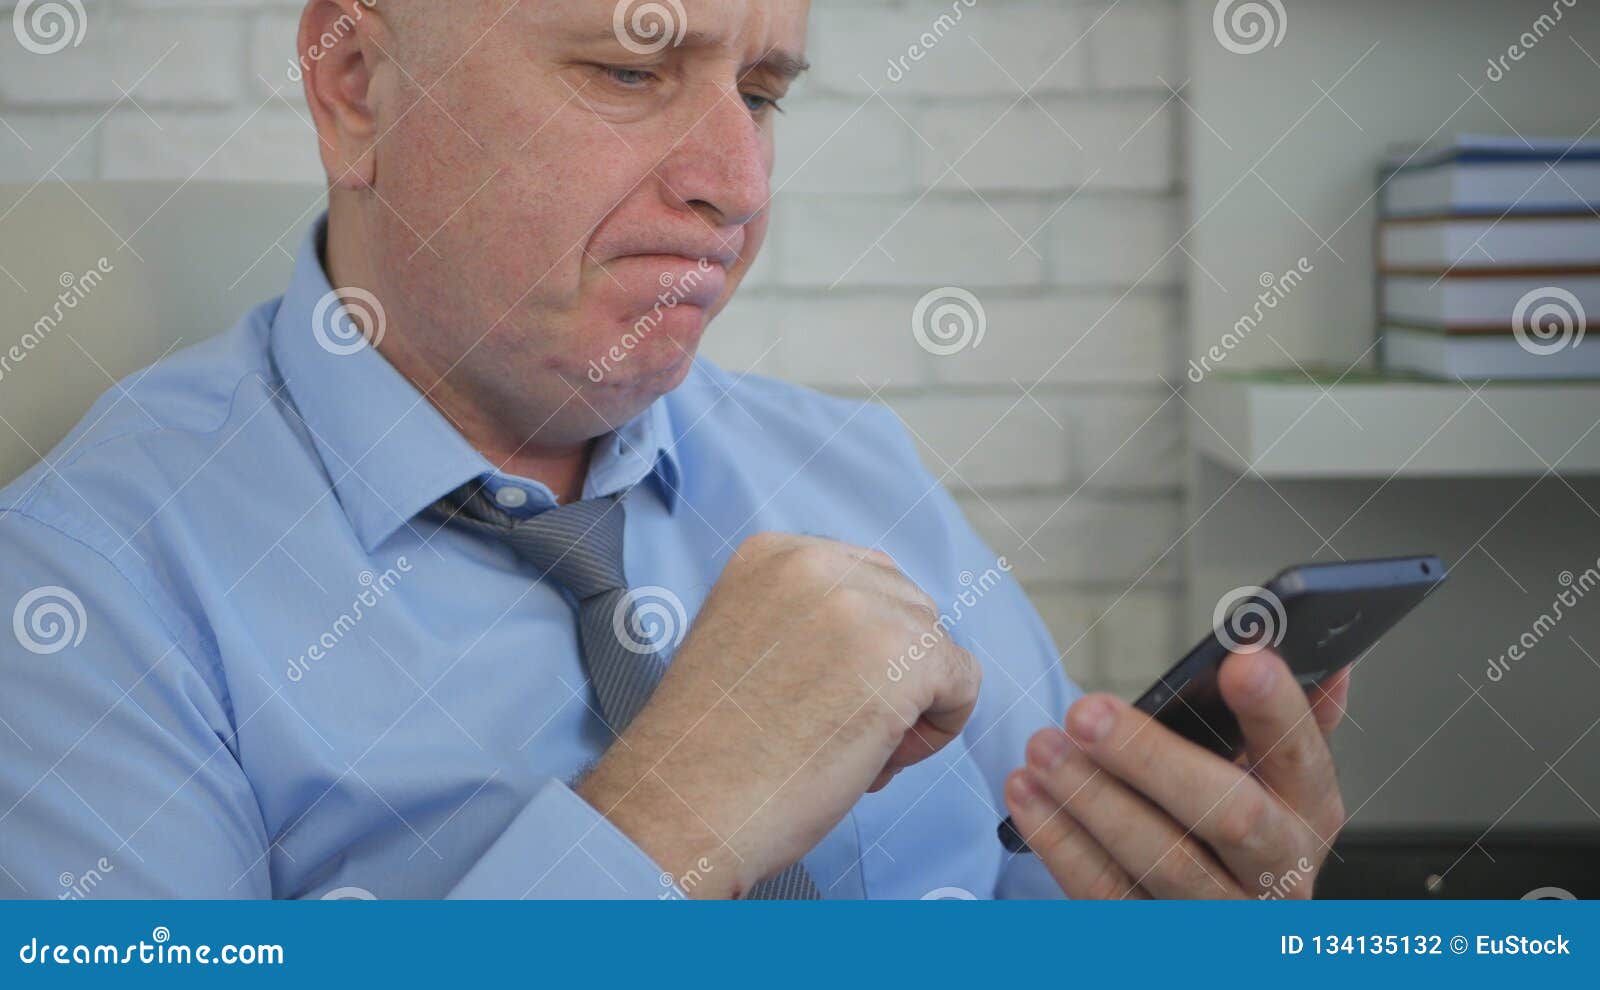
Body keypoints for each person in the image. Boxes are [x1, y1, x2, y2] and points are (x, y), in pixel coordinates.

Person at [0, 0, 1347, 899]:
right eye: (630, 71)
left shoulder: (862, 474)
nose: (738, 188)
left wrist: (1206, 912)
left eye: (761, 94)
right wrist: (672, 815)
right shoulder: (79, 589)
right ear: (356, 85)